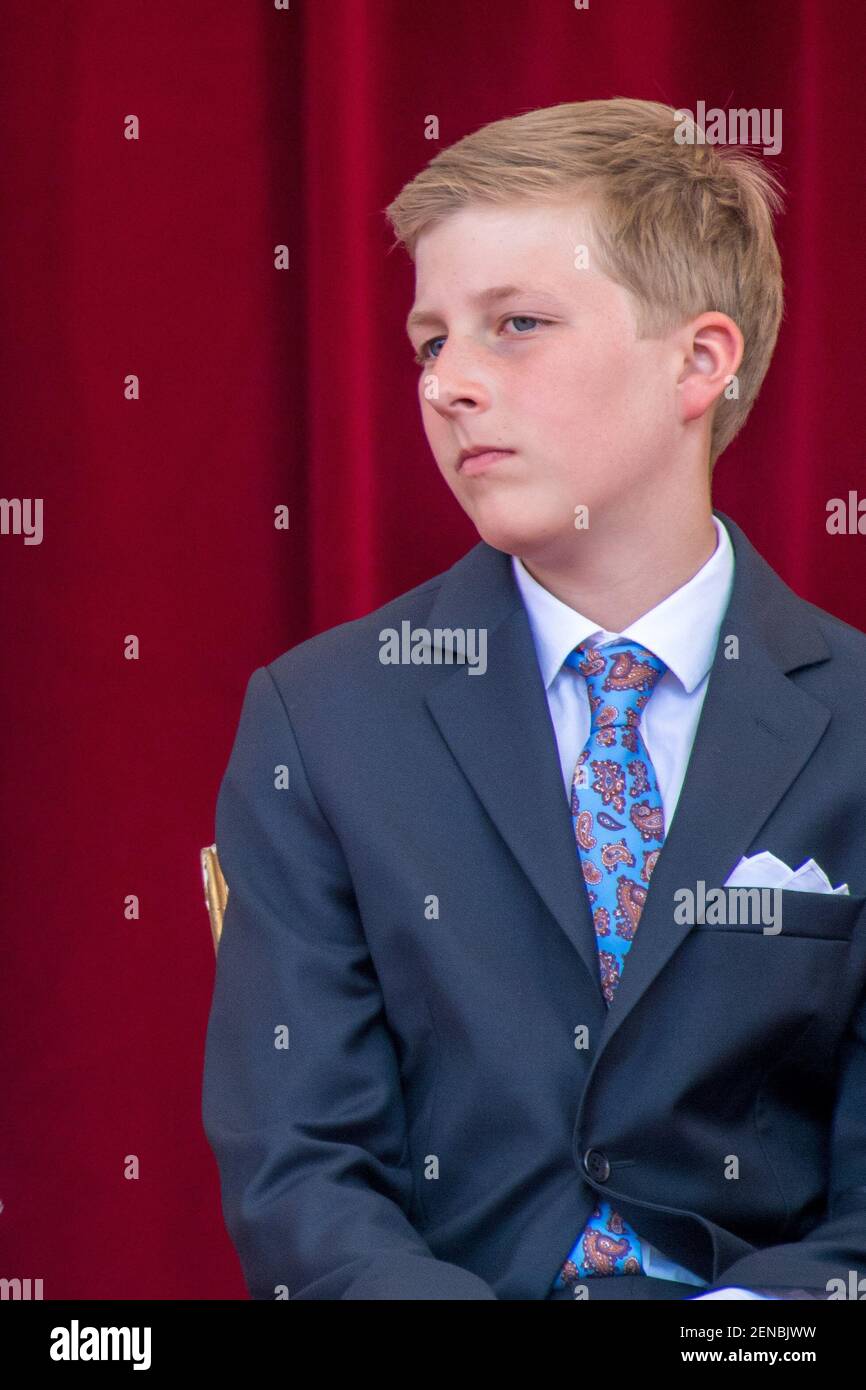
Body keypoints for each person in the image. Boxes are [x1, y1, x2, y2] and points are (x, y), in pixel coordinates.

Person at [201, 98, 866, 1300]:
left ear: (697, 361)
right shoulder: (324, 718)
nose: (447, 383)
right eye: (429, 341)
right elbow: (300, 1172)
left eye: (513, 325)